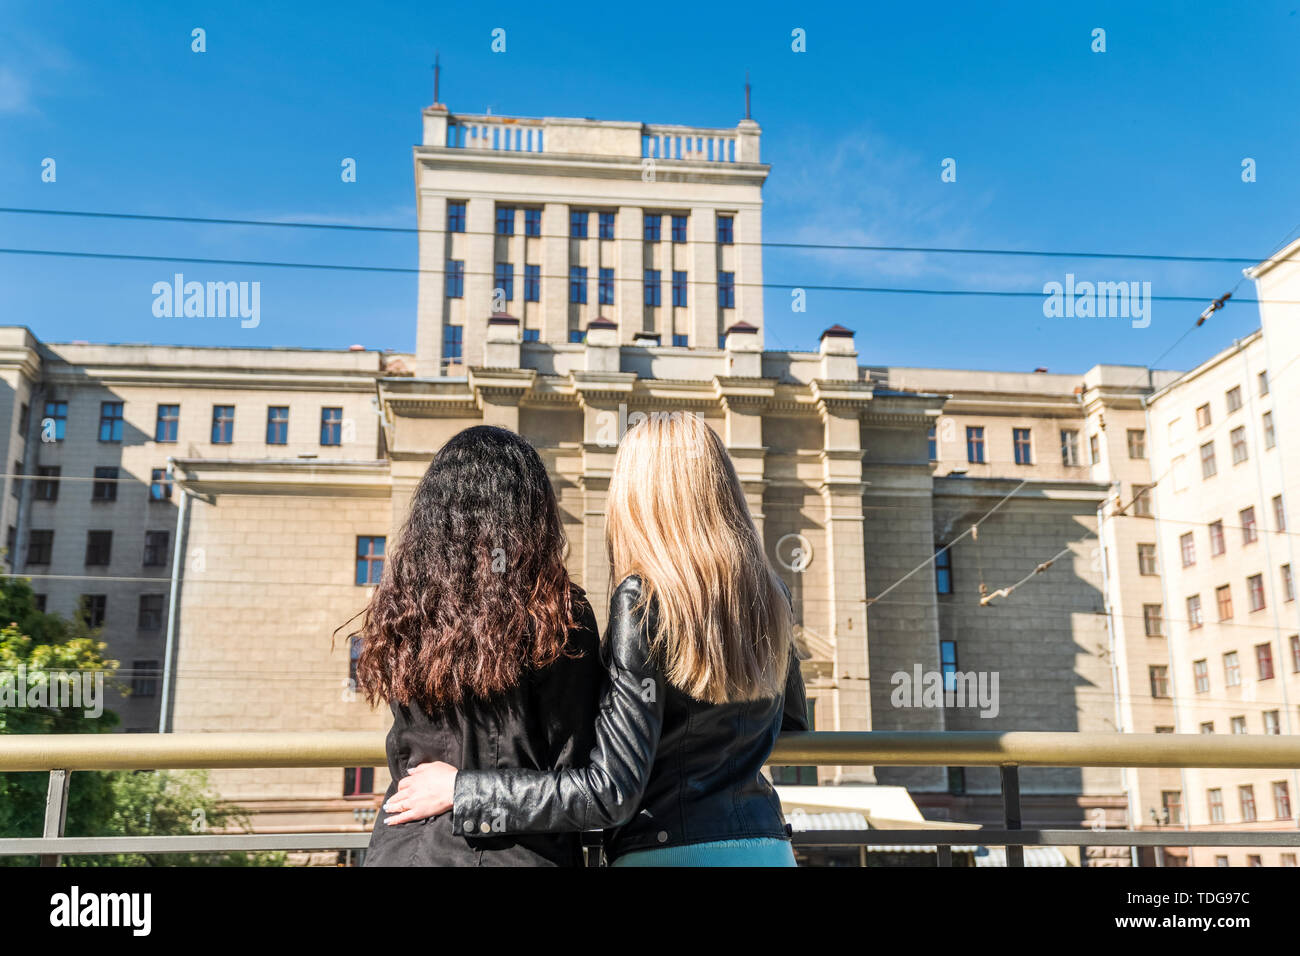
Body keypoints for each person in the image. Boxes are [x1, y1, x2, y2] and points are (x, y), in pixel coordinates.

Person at [382, 412, 808, 866]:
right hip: (765, 843)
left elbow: (610, 787)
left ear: (637, 496)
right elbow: (795, 726)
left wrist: (463, 790)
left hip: (665, 850)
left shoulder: (643, 600)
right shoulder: (772, 594)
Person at [357, 425, 602, 866]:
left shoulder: (403, 609)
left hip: (406, 847)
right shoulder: (557, 615)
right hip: (518, 851)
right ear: (531, 512)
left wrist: (457, 789)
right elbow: (577, 775)